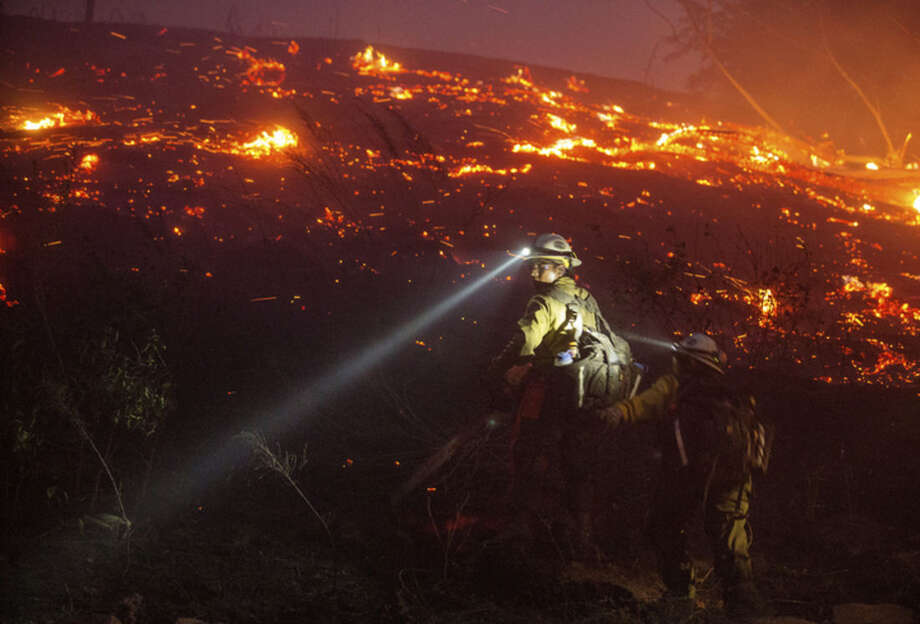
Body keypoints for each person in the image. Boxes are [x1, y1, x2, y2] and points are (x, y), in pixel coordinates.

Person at [597, 333, 770, 617]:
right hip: (733, 478)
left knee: (666, 528)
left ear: (686, 361)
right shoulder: (734, 391)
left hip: (685, 475)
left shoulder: (676, 385)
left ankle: (679, 598)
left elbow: (644, 404)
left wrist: (618, 412)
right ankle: (744, 607)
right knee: (730, 539)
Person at [491, 233, 632, 561]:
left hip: (548, 391)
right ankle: (581, 539)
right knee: (577, 465)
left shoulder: (544, 301)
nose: (532, 272)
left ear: (559, 267)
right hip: (583, 394)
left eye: (539, 265)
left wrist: (498, 371)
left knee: (528, 457)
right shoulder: (585, 298)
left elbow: (524, 341)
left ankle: (519, 533)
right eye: (532, 265)